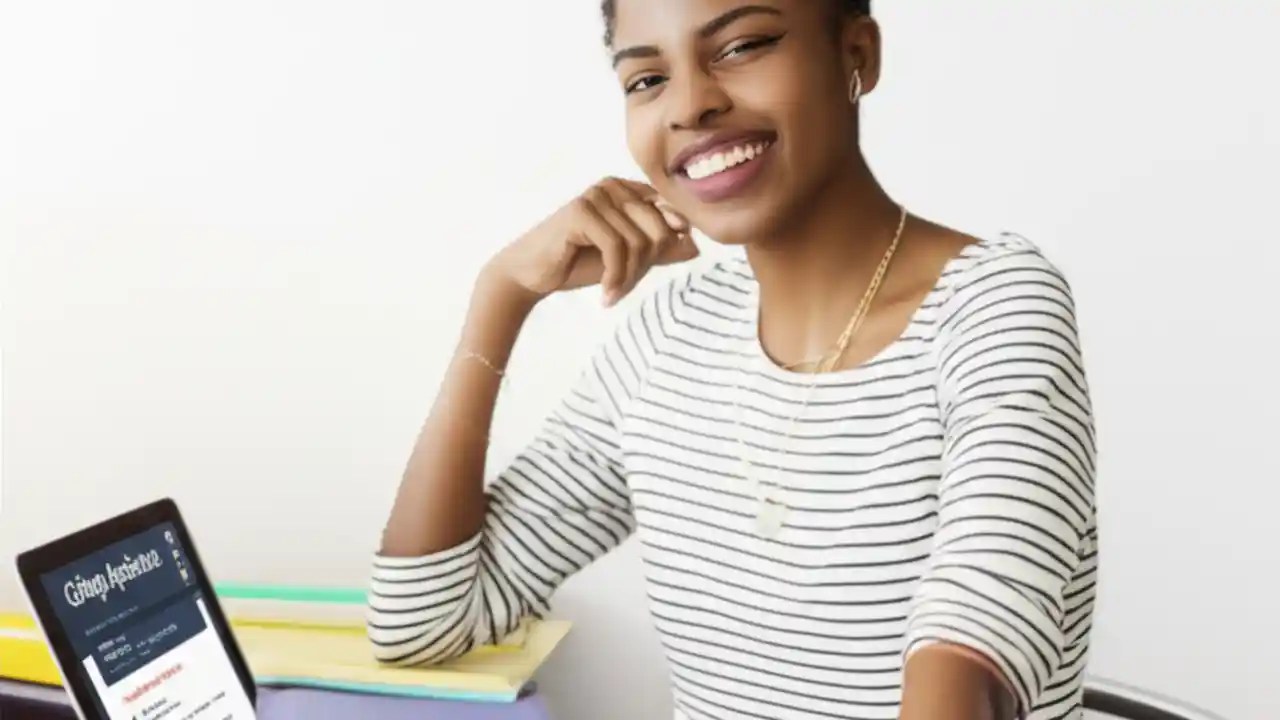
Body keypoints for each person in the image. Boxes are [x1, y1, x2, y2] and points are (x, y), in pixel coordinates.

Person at [368, 1, 1097, 718]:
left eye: (743, 46)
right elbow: (423, 622)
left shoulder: (990, 308)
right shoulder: (668, 339)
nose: (691, 104)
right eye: (647, 79)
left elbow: (969, 656)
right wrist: (502, 294)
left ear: (857, 54)